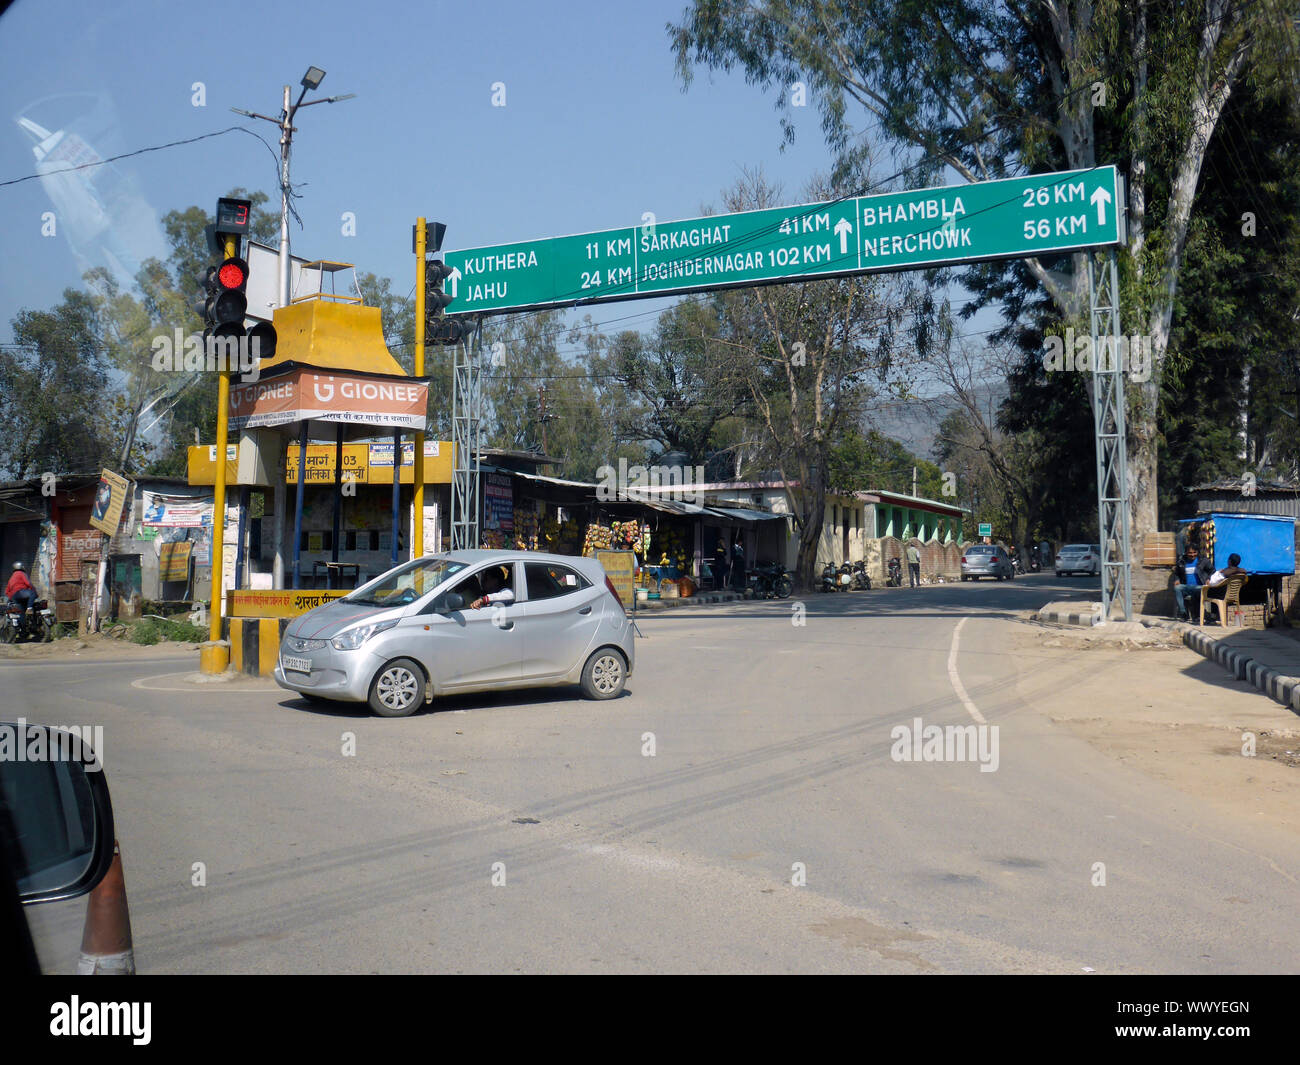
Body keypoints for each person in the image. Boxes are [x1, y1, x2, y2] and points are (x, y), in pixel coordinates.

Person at [1172, 544, 1213, 621]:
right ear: (1186, 553)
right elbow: (1176, 573)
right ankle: (1183, 613)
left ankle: (1202, 615)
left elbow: (1212, 571)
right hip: (1187, 587)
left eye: (1194, 552)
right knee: (1177, 588)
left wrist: (1208, 578)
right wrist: (1177, 579)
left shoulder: (1203, 561)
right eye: (1190, 553)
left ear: (1197, 552)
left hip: (1200, 587)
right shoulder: (1181, 562)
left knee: (1196, 596)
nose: (1192, 555)